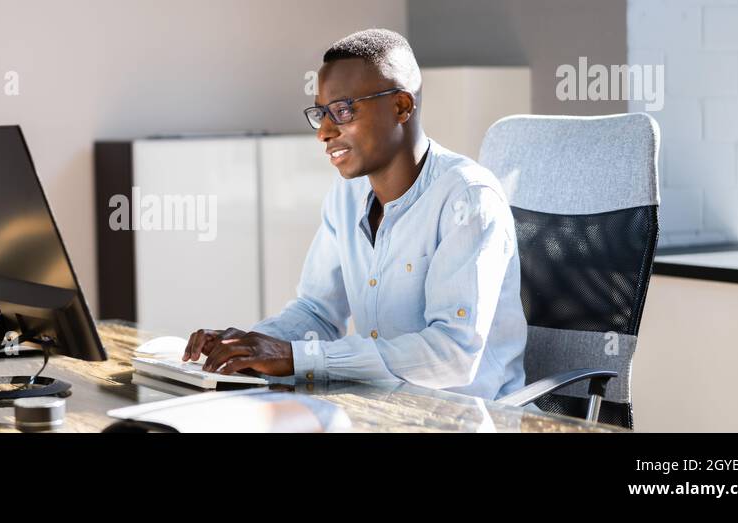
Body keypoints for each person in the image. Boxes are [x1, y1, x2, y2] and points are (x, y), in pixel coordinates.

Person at [182, 28, 527, 400]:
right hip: (382, 410)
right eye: (321, 113)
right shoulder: (347, 195)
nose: (324, 133)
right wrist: (246, 345)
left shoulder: (468, 198)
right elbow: (317, 312)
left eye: (343, 110)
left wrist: (298, 358)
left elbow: (452, 356)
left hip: (469, 417)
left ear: (401, 107)